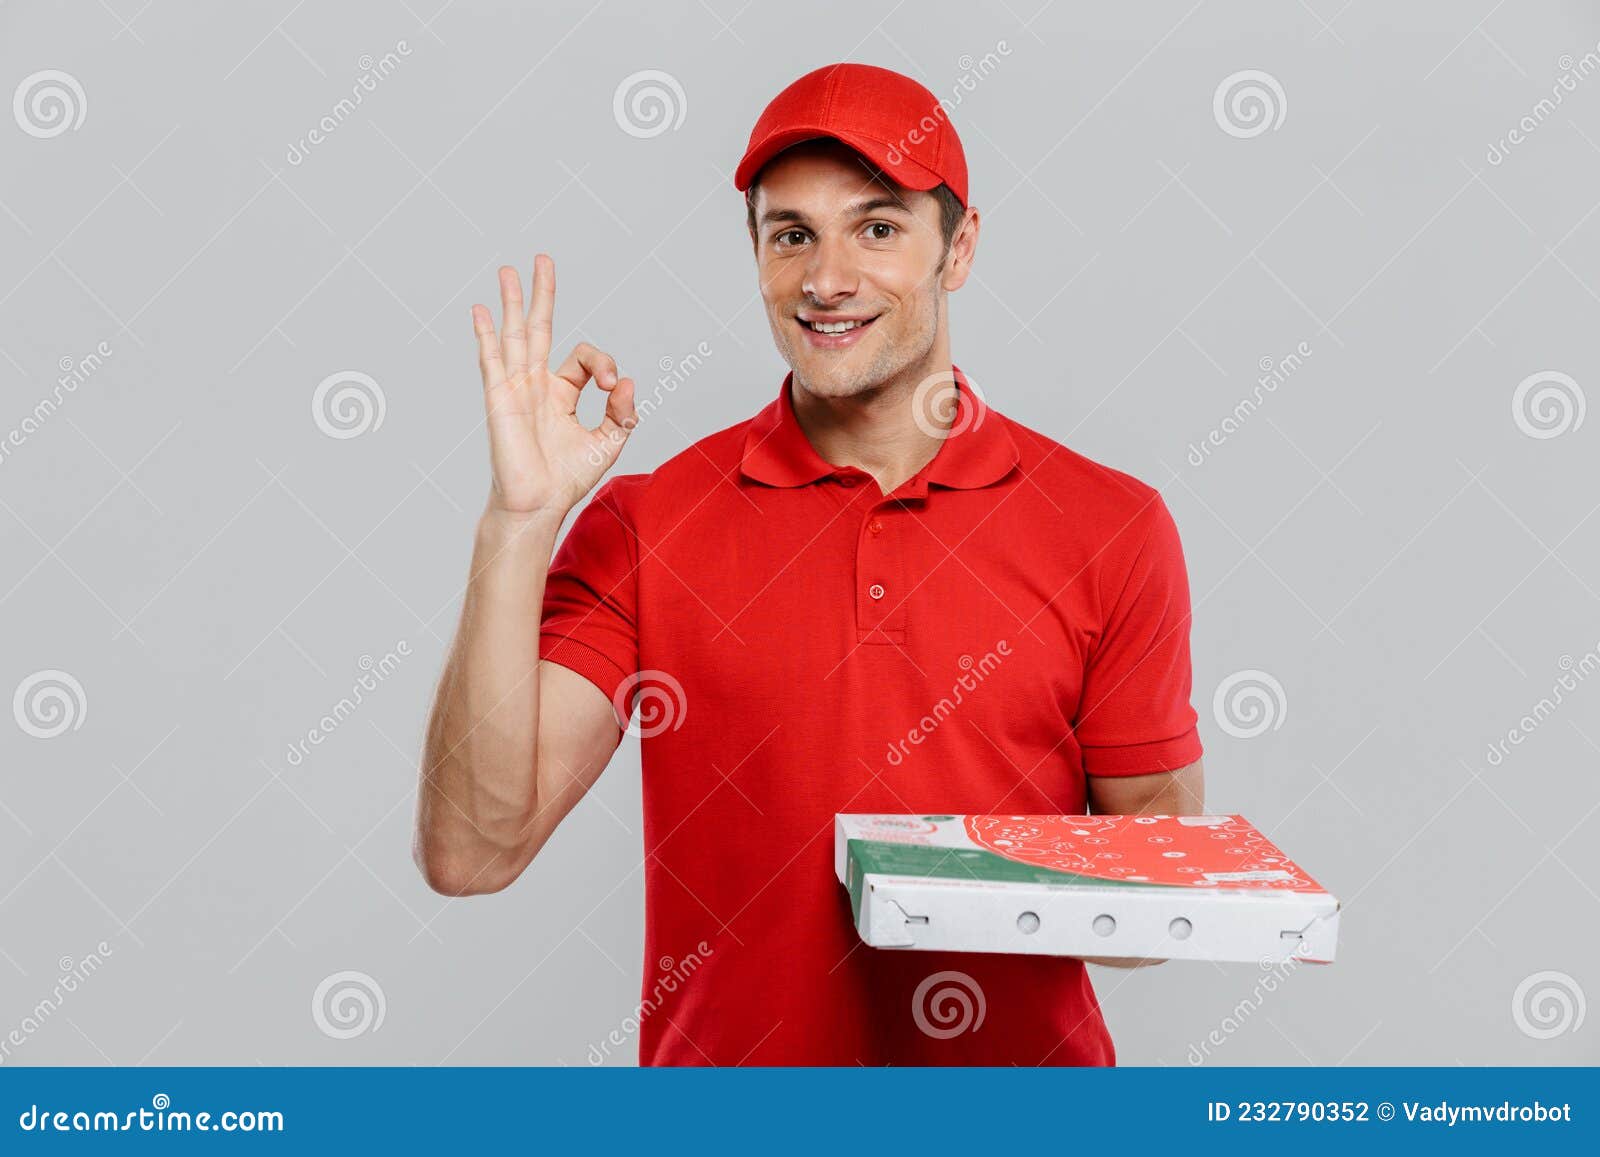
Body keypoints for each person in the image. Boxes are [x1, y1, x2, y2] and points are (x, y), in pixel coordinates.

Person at [414, 62, 1205, 1066]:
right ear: (755, 252)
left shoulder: (1109, 525)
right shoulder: (648, 525)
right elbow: (472, 850)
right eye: (792, 234)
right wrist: (518, 521)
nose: (827, 279)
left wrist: (953, 876)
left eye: (876, 229)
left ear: (959, 247)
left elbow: (1155, 902)